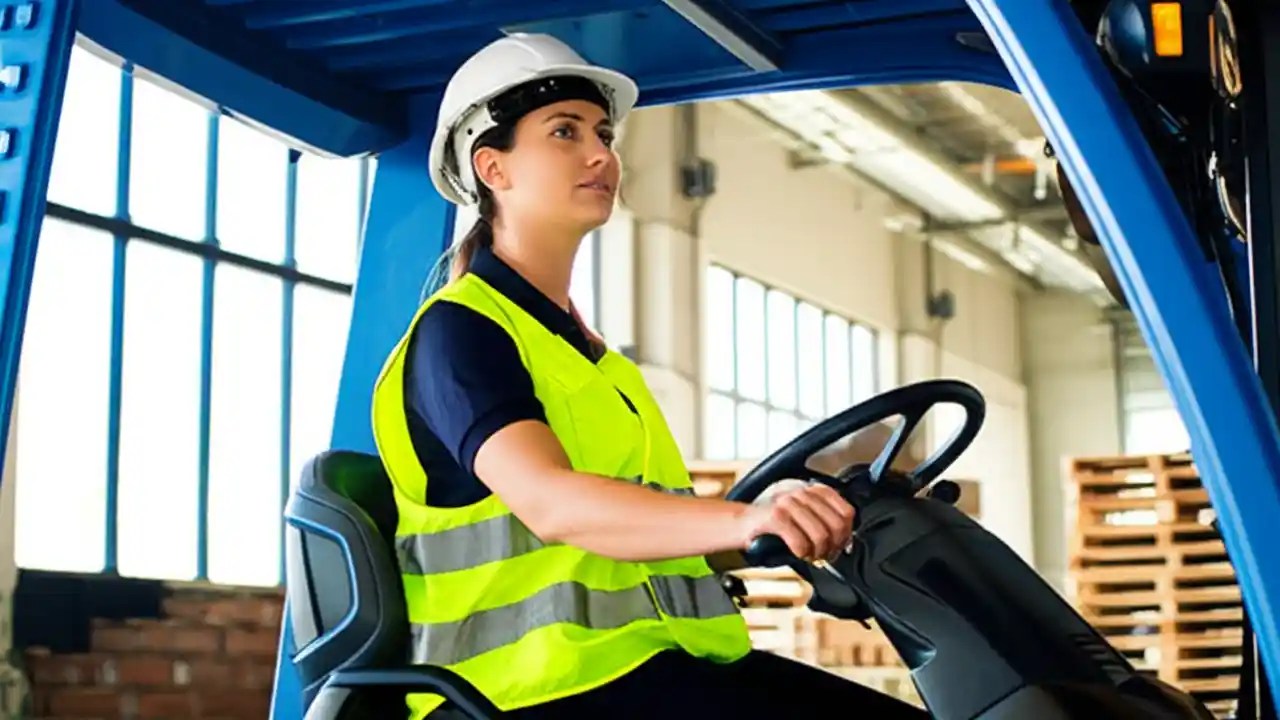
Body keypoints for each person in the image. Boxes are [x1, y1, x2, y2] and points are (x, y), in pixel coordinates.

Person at [370, 33, 930, 720]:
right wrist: (745, 515)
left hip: (646, 671)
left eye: (603, 133)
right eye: (564, 132)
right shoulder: (461, 334)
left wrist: (770, 522)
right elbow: (554, 505)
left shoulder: (597, 363)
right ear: (494, 168)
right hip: (531, 695)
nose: (601, 154)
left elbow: (635, 555)